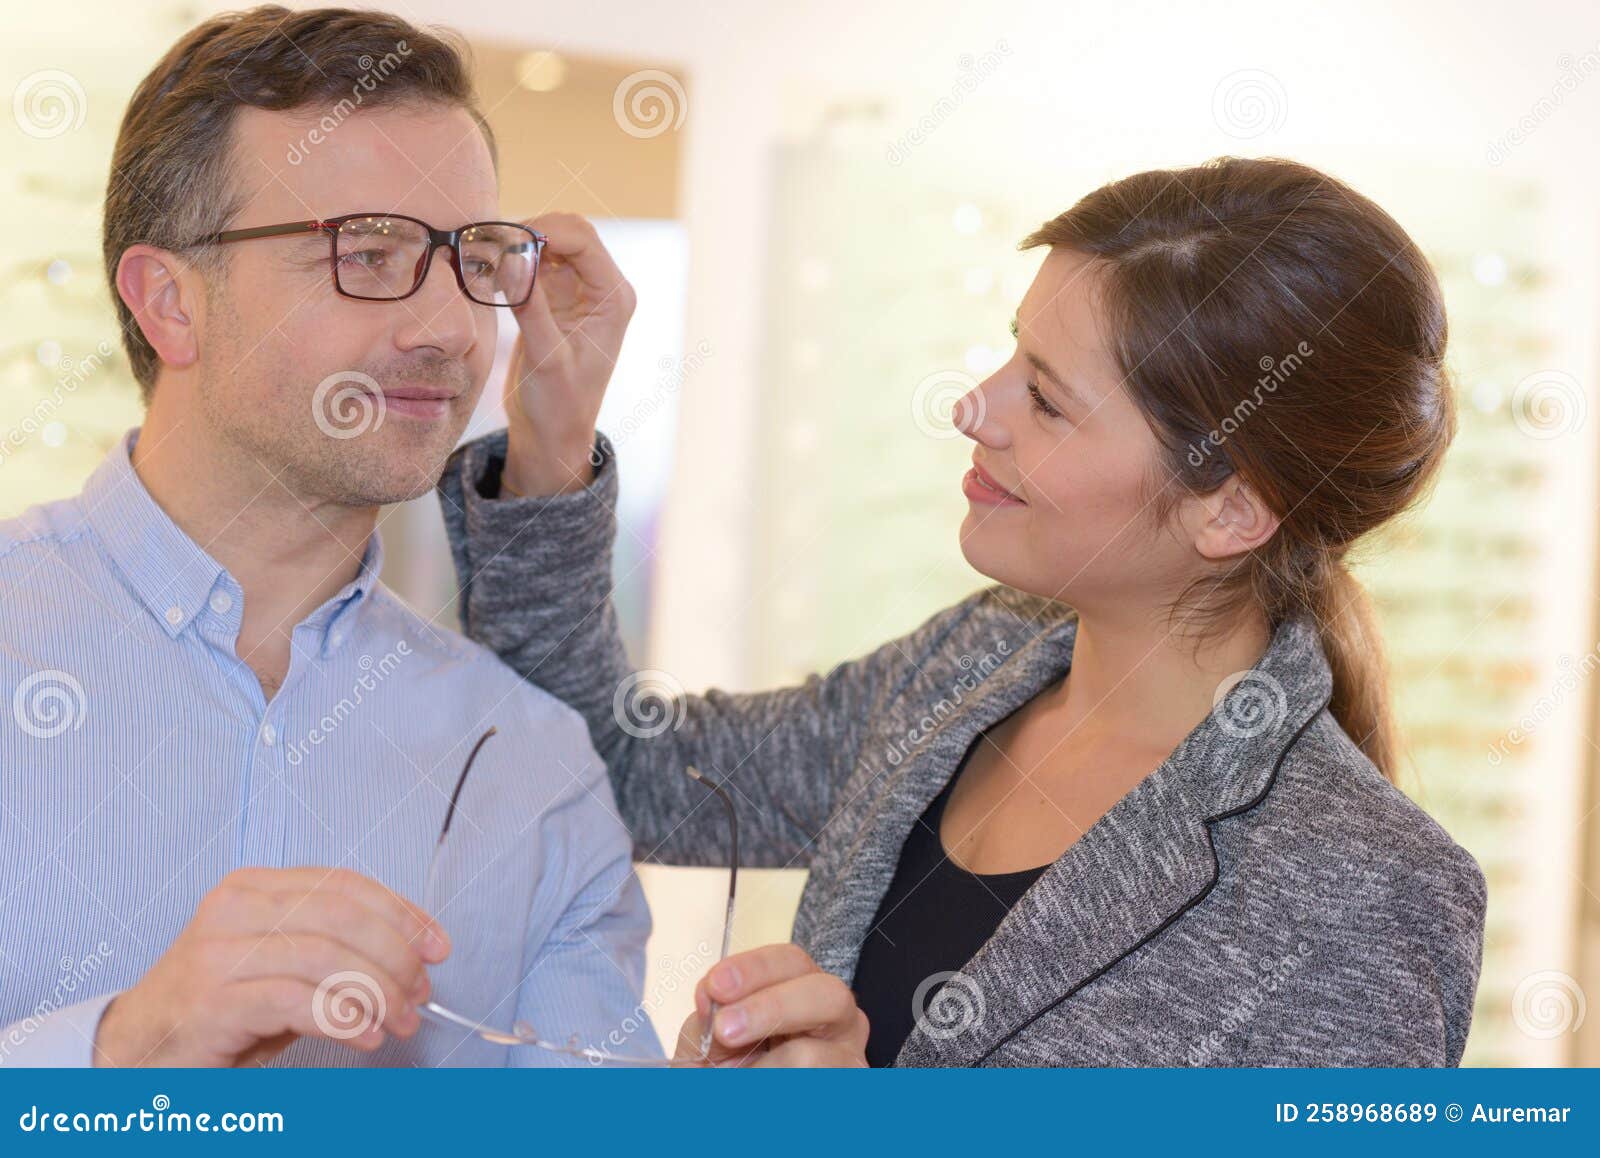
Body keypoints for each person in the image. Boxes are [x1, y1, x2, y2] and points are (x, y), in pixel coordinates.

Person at [441, 155, 1488, 1066]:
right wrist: (553, 430)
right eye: (1007, 355)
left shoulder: (1365, 894)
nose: (970, 407)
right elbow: (625, 773)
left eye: (1045, 397)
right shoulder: (967, 664)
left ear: (1231, 509)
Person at [0, 6, 864, 1069]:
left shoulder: (528, 762)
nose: (450, 328)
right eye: (368, 252)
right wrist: (117, 1053)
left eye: (473, 260)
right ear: (169, 303)